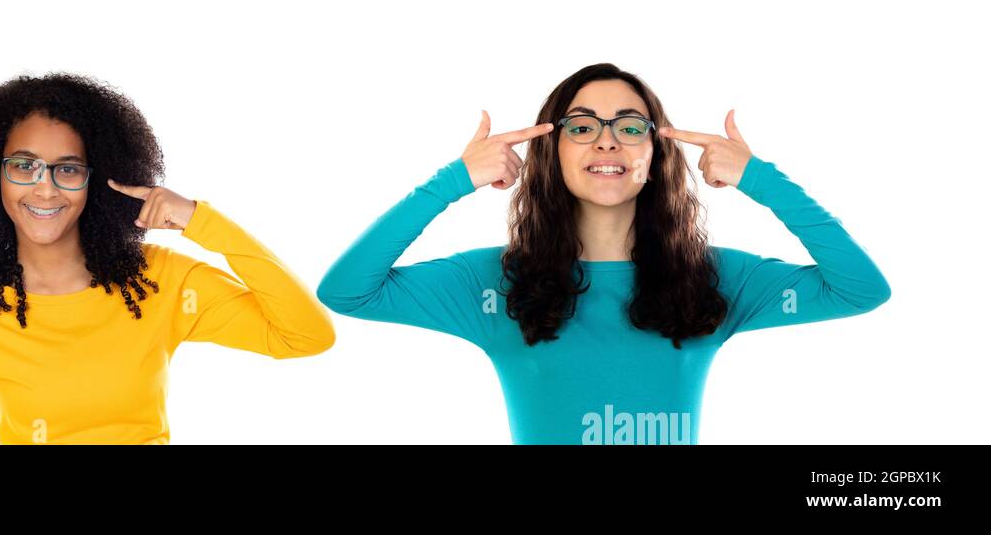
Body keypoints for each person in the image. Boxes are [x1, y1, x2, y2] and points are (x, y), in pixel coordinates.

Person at [316, 62, 890, 444]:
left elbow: (861, 289)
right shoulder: (495, 281)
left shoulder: (712, 279)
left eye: (631, 126)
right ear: (552, 148)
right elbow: (348, 291)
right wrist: (453, 180)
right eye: (583, 126)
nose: (608, 140)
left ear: (657, 152)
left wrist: (761, 180)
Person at [0, 73, 335, 444]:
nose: (45, 190)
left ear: (94, 181)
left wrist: (203, 221)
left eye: (67, 168)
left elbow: (306, 336)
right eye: (23, 166)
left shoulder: (162, 284)